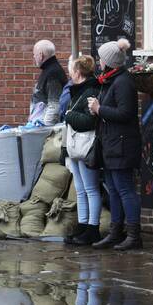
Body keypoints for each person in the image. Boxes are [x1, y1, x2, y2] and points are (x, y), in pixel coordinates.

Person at [87, 40, 143, 250]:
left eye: (101, 58)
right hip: (110, 144)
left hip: (122, 145)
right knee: (113, 189)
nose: (99, 62)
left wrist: (100, 109)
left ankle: (134, 235)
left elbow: (125, 113)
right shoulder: (109, 81)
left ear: (110, 62)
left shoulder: (123, 82)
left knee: (125, 189)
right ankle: (115, 232)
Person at [61, 53, 102, 246]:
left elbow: (88, 121)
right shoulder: (77, 91)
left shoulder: (90, 91)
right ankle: (83, 224)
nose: (69, 74)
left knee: (91, 189)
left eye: (71, 70)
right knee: (80, 189)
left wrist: (69, 116)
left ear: (78, 72)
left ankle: (93, 228)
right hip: (75, 146)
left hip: (86, 146)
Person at [30, 39, 68, 126]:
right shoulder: (50, 70)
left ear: (41, 55)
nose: (34, 57)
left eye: (34, 54)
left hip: (44, 128)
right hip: (40, 124)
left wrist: (45, 130)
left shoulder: (52, 72)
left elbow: (54, 105)